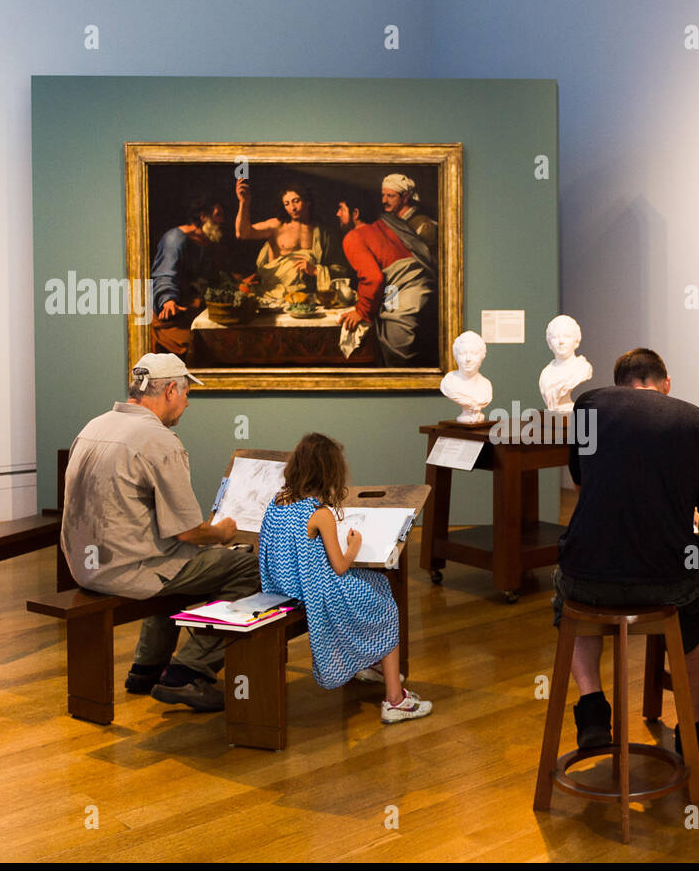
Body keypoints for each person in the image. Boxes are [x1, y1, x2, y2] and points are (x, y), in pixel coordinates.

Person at [554, 348, 699, 754]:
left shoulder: (589, 404)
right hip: (667, 581)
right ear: (666, 384)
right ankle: (692, 723)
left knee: (570, 595)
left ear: (619, 385)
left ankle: (593, 706)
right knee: (696, 609)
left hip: (588, 576)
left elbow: (584, 487)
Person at [60, 353, 258, 711]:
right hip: (126, 572)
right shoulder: (158, 440)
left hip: (84, 567)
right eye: (185, 393)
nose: (186, 402)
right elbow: (187, 532)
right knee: (253, 569)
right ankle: (187, 671)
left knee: (178, 559)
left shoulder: (95, 426)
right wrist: (223, 532)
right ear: (169, 390)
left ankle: (146, 667)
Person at [257, 433, 432, 722]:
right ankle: (394, 700)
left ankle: (371, 661)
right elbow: (339, 566)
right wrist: (353, 548)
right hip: (316, 591)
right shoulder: (319, 513)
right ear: (330, 472)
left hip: (285, 587)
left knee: (376, 586)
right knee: (384, 602)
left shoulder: (277, 501)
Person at [337, 193, 437, 367]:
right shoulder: (386, 225)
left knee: (399, 356)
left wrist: (362, 311)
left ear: (356, 213)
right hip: (413, 288)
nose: (337, 214)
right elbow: (389, 281)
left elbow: (374, 278)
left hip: (407, 292)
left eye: (341, 209)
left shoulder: (353, 237)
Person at [150, 193, 228, 359]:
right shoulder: (175, 238)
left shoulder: (209, 242)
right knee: (200, 348)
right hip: (172, 316)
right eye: (218, 215)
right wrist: (168, 300)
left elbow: (215, 275)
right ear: (203, 216)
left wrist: (238, 280)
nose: (222, 220)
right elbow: (164, 274)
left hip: (195, 309)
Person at [234, 179, 326, 303]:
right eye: (287, 204)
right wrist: (244, 203)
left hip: (304, 297)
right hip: (271, 293)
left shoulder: (319, 231)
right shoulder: (276, 225)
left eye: (296, 201)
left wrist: (315, 270)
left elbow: (336, 267)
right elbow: (242, 234)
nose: (292, 208)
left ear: (307, 201)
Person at [538, 314, 593, 413]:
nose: (561, 342)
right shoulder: (546, 374)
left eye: (567, 336)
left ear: (576, 341)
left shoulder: (582, 368)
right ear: (549, 343)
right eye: (555, 337)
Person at [380, 173, 438, 251]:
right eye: (383, 195)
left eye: (390, 196)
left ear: (405, 197)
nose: (384, 201)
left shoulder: (424, 225)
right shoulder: (388, 222)